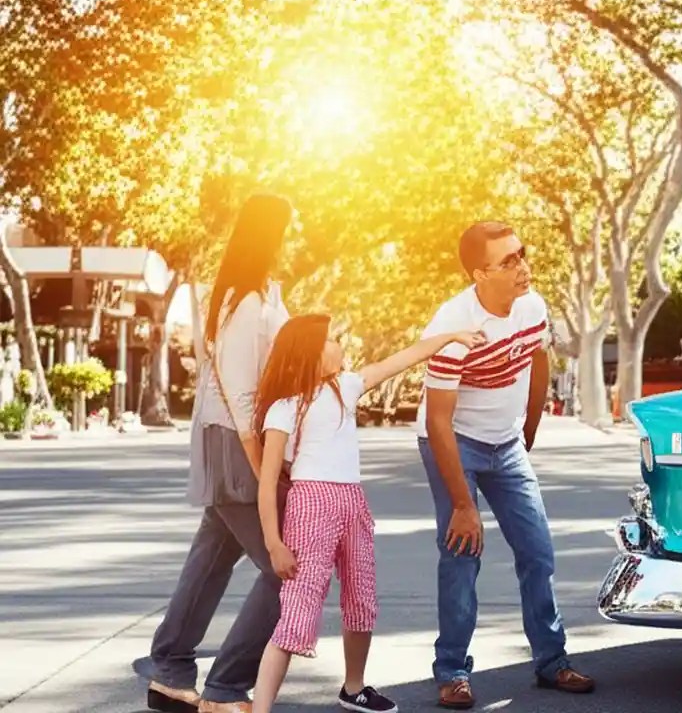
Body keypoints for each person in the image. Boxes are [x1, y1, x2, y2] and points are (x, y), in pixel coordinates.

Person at [247, 314, 486, 713]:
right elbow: (267, 482)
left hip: (352, 502)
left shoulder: (346, 386)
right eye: (331, 340)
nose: (339, 345)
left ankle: (353, 688)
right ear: (310, 352)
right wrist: (274, 543)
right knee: (298, 610)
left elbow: (405, 357)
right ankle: (261, 709)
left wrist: (452, 335)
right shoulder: (284, 409)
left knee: (361, 598)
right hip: (311, 505)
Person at [417, 221, 595, 710]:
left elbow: (539, 361)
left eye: (522, 254)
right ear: (479, 274)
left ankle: (551, 661)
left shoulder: (533, 305)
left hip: (505, 443)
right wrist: (461, 503)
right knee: (461, 554)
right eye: (508, 261)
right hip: (454, 443)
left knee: (537, 552)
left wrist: (530, 427)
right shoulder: (453, 325)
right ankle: (452, 671)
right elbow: (437, 420)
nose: (523, 267)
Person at [146, 194, 295, 713]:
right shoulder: (245, 301)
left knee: (212, 556)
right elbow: (240, 393)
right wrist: (264, 472)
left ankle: (169, 669)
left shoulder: (258, 294)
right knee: (287, 567)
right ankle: (227, 686)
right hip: (238, 440)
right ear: (267, 234)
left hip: (239, 438)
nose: (290, 239)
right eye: (284, 230)